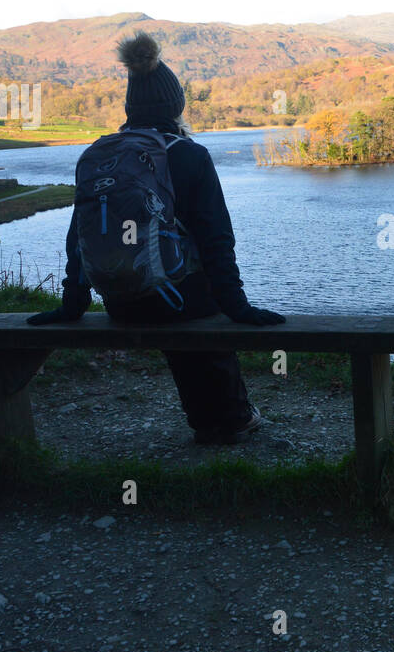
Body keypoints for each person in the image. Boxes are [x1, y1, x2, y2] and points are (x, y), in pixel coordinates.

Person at [28, 31, 285, 445]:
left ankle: (205, 419)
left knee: (167, 286)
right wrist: (236, 306)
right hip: (179, 303)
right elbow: (217, 239)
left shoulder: (98, 154)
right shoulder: (188, 154)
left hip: (121, 301)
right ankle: (232, 418)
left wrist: (72, 305)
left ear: (131, 107)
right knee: (192, 296)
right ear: (176, 106)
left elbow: (78, 236)